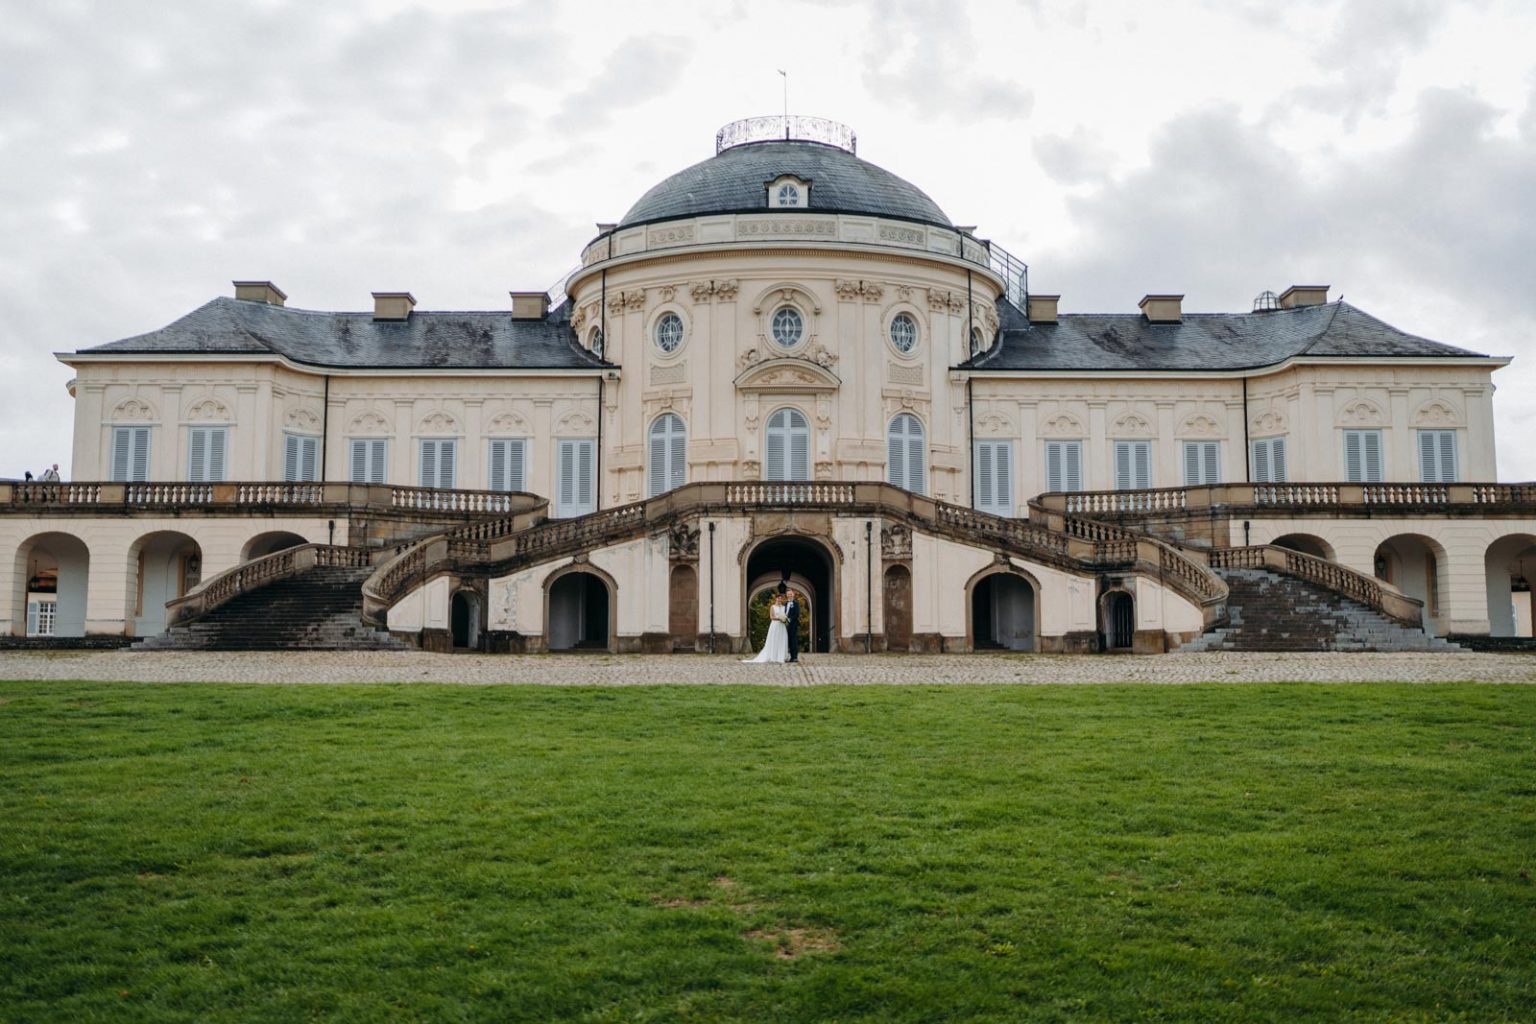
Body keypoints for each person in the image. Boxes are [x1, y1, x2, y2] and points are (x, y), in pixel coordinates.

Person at [743, 593, 790, 663]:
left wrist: (784, 619)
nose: (779, 599)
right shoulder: (773, 607)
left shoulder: (784, 607)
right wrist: (779, 618)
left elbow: (785, 615)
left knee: (782, 640)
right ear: (776, 599)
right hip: (775, 625)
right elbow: (771, 617)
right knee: (774, 640)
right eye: (778, 598)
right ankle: (773, 656)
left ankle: (781, 656)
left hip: (782, 626)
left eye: (781, 598)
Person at [785, 590, 801, 663]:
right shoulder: (785, 604)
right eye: (788, 594)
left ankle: (794, 657)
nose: (789, 595)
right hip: (785, 625)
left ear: (793, 595)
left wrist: (789, 619)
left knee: (793, 641)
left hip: (793, 625)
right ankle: (788, 656)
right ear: (787, 595)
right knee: (787, 641)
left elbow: (797, 614)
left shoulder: (796, 603)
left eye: (791, 594)